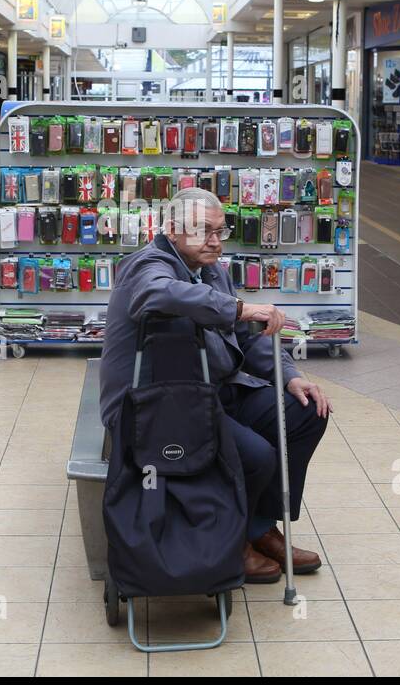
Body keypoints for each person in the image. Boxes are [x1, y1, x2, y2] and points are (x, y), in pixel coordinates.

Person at [98, 187, 330, 584]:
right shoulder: (146, 266)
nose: (215, 241)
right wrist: (240, 307)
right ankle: (232, 541)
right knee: (256, 455)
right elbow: (160, 294)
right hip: (156, 405)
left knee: (305, 413)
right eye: (203, 230)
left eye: (220, 231)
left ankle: (259, 526)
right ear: (171, 229)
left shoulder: (214, 271)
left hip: (211, 392)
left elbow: (245, 338)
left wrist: (291, 376)